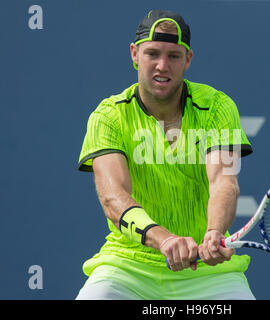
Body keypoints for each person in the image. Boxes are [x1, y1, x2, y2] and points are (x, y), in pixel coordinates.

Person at [76, 9, 255, 300]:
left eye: (173, 56)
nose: (162, 65)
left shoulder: (218, 108)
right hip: (128, 267)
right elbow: (113, 197)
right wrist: (164, 239)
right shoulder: (108, 116)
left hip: (209, 275)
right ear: (135, 54)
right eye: (152, 54)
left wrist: (214, 232)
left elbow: (224, 182)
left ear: (188, 59)